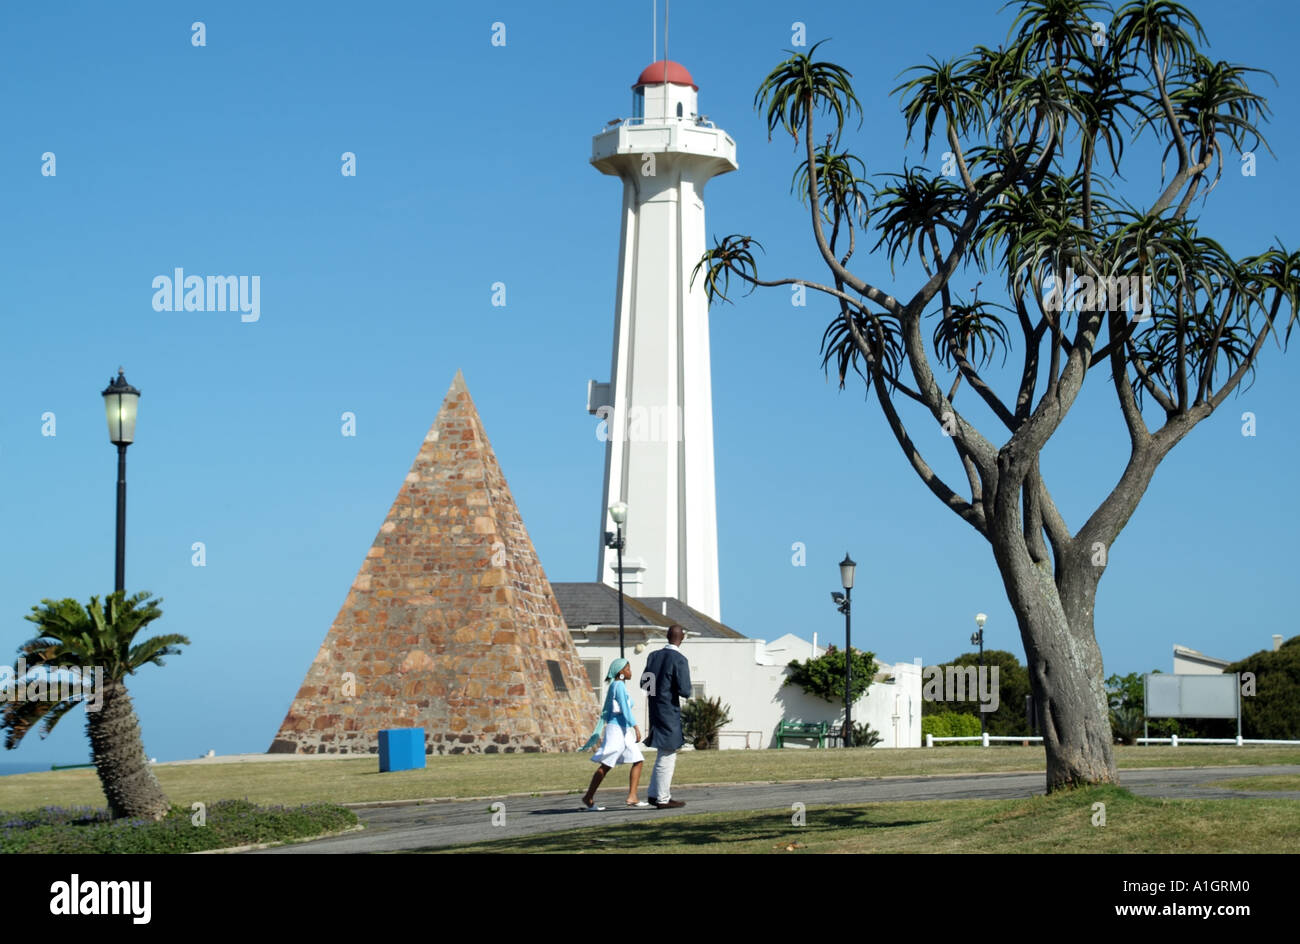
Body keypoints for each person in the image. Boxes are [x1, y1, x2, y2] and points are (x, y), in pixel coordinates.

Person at [579, 658, 649, 810]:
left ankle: (632, 796)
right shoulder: (618, 686)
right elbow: (624, 708)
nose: (631, 672)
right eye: (628, 669)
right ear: (621, 672)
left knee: (638, 759)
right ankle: (588, 797)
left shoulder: (618, 686)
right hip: (616, 730)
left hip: (623, 730)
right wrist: (636, 727)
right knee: (606, 765)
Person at [641, 625, 692, 809]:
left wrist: (657, 694)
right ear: (682, 637)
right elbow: (685, 690)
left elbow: (645, 684)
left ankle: (654, 794)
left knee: (662, 752)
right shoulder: (679, 659)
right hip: (669, 710)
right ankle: (663, 798)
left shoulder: (653, 656)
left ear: (667, 636)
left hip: (654, 707)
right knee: (668, 754)